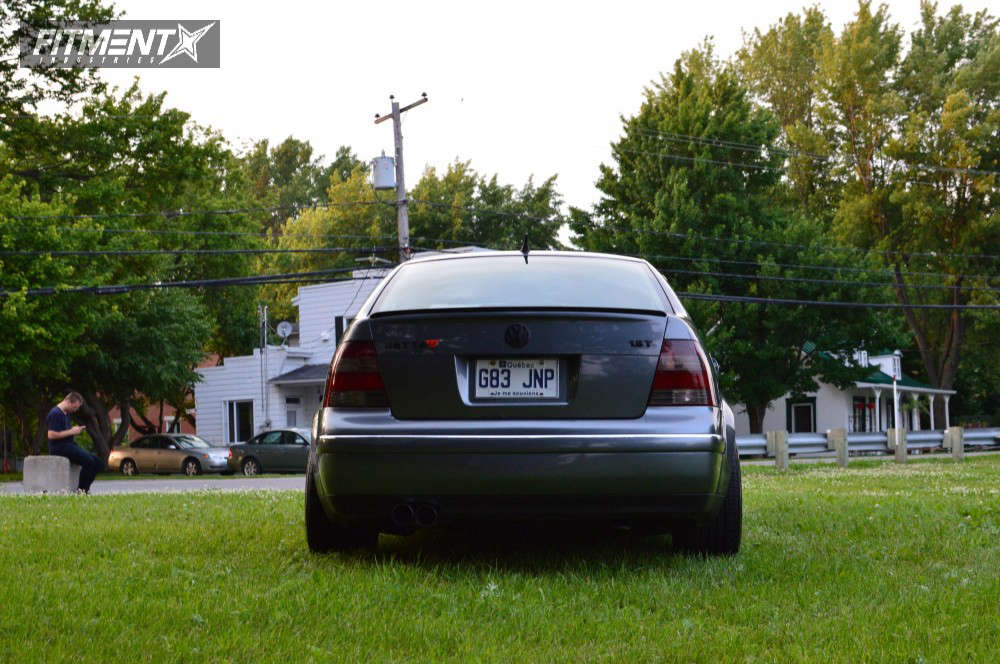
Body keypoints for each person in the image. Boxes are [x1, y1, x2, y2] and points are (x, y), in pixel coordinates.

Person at [47, 391, 104, 494]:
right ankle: (81, 491)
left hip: (69, 445)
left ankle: (85, 488)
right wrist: (72, 431)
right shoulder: (55, 413)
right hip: (59, 448)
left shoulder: (66, 414)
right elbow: (51, 435)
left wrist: (74, 431)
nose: (75, 410)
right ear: (68, 401)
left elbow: (65, 432)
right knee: (89, 461)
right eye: (75, 407)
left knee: (98, 462)